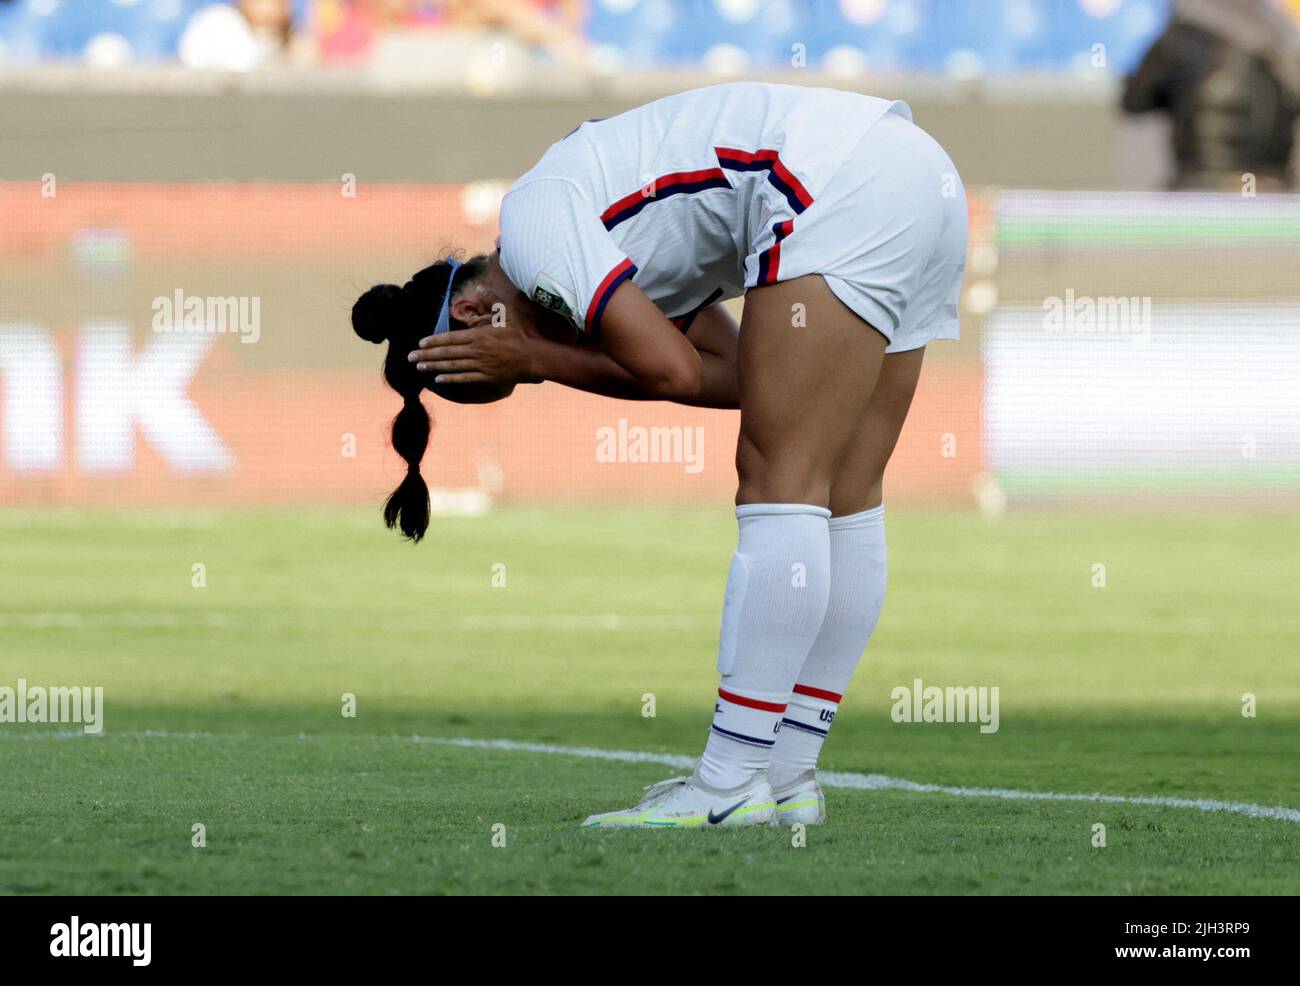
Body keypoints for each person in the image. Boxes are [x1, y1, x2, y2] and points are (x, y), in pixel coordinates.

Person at [352, 82, 967, 828]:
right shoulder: (602, 235)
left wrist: (536, 359)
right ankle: (787, 774)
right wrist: (539, 352)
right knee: (846, 489)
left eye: (502, 363)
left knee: (779, 480)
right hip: (912, 176)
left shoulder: (534, 225)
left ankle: (728, 784)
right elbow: (741, 378)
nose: (537, 361)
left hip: (830, 182)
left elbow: (672, 372)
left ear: (478, 310)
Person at [1122, 0, 1300, 191]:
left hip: (1199, 187)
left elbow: (1134, 101)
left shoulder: (1181, 34)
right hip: (1270, 188)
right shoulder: (1280, 34)